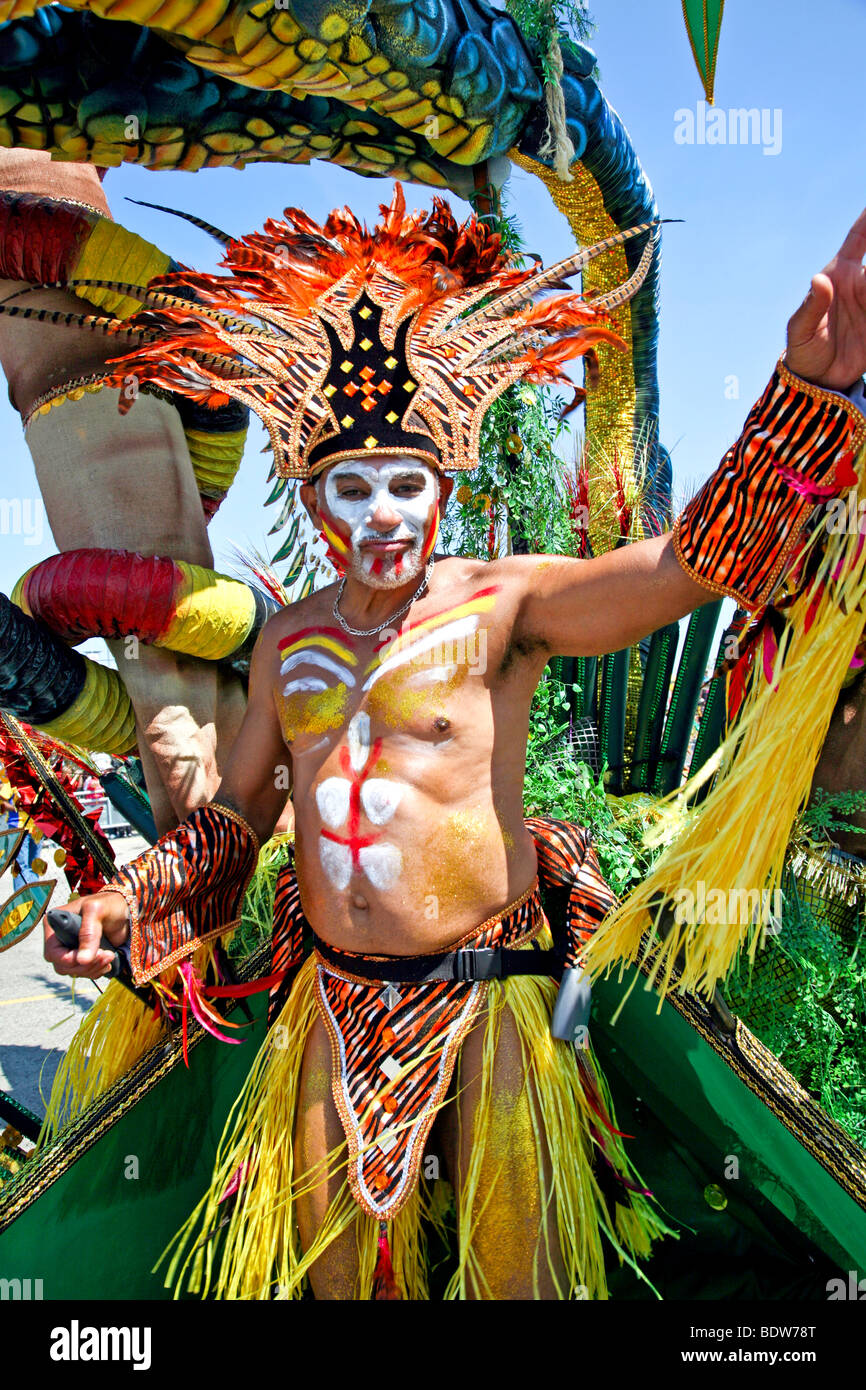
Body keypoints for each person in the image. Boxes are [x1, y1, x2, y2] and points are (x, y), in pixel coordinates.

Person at [44, 189, 866, 1299]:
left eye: (404, 485)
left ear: (442, 486)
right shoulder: (286, 638)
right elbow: (239, 820)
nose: (381, 514)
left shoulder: (500, 603)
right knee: (332, 1276)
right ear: (313, 497)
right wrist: (130, 896)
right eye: (352, 487)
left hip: (496, 989)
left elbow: (684, 572)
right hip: (333, 1000)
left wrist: (799, 398)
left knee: (512, 1272)